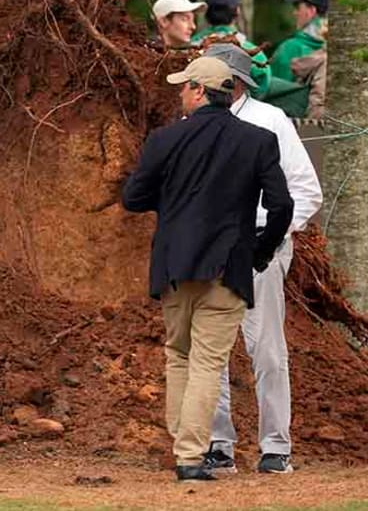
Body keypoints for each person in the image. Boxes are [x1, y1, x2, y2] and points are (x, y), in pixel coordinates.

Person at [123, 56, 293, 482]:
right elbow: (282, 206)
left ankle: (186, 446)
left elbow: (133, 198)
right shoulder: (257, 140)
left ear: (200, 91)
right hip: (227, 268)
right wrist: (261, 250)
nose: (180, 92)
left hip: (174, 267)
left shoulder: (165, 139)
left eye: (184, 86)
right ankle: (189, 456)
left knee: (179, 355)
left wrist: (175, 203)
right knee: (206, 362)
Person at [201, 44, 323, 475]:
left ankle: (276, 445)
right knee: (211, 348)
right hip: (210, 247)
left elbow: (306, 191)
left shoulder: (271, 121)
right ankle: (219, 442)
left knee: (266, 348)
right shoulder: (193, 121)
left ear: (230, 81)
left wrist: (271, 238)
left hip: (259, 246)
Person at [191, 0, 271, 88]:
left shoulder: (191, 46)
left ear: (206, 12)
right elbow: (263, 83)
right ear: (237, 11)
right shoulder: (251, 52)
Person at [269, 0, 328, 118]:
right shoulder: (343, 50)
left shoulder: (290, 49)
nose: (295, 13)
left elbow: (270, 96)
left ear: (311, 11)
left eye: (298, 6)